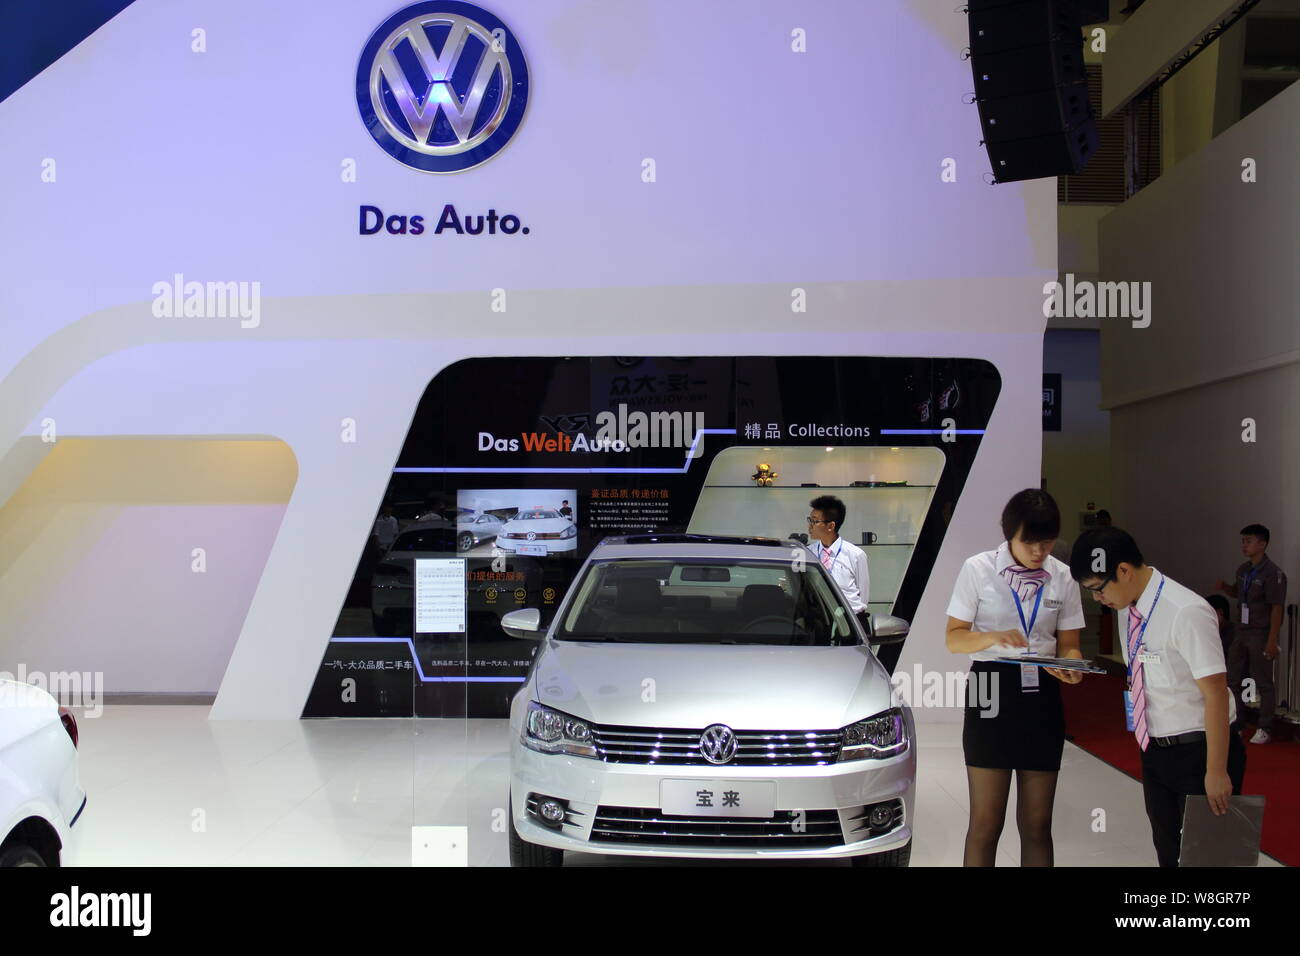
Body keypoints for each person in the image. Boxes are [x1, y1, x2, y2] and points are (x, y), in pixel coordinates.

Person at [1070, 526, 1245, 868]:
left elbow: (1216, 695)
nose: (1097, 598)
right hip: (1156, 751)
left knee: (1212, 860)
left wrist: (1216, 770)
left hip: (1201, 751)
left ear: (1123, 570)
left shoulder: (1186, 611)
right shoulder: (1128, 609)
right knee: (1169, 855)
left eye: (1097, 589)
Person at [945, 489, 1085, 867]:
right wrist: (992, 636)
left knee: (1038, 823)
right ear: (1010, 534)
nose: (1039, 550)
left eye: (1047, 541)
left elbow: (1070, 644)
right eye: (1029, 541)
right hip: (990, 685)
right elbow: (954, 638)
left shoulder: (1064, 577)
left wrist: (1071, 665)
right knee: (986, 821)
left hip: (1042, 691)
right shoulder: (978, 569)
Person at [1216, 523, 1287, 744]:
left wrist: (1272, 639)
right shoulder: (1243, 570)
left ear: (1262, 544)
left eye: (1249, 541)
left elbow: (1277, 607)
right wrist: (1226, 588)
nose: (1244, 545)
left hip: (1260, 631)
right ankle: (1237, 723)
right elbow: (1239, 593)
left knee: (1263, 681)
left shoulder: (1273, 573)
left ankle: (1265, 726)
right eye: (1243, 541)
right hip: (1241, 630)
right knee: (1233, 678)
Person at [806, 495, 870, 630]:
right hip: (819, 622)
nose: (809, 525)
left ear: (831, 526)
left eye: (814, 521)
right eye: (809, 519)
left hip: (851, 622)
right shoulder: (808, 553)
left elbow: (863, 597)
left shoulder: (855, 554)